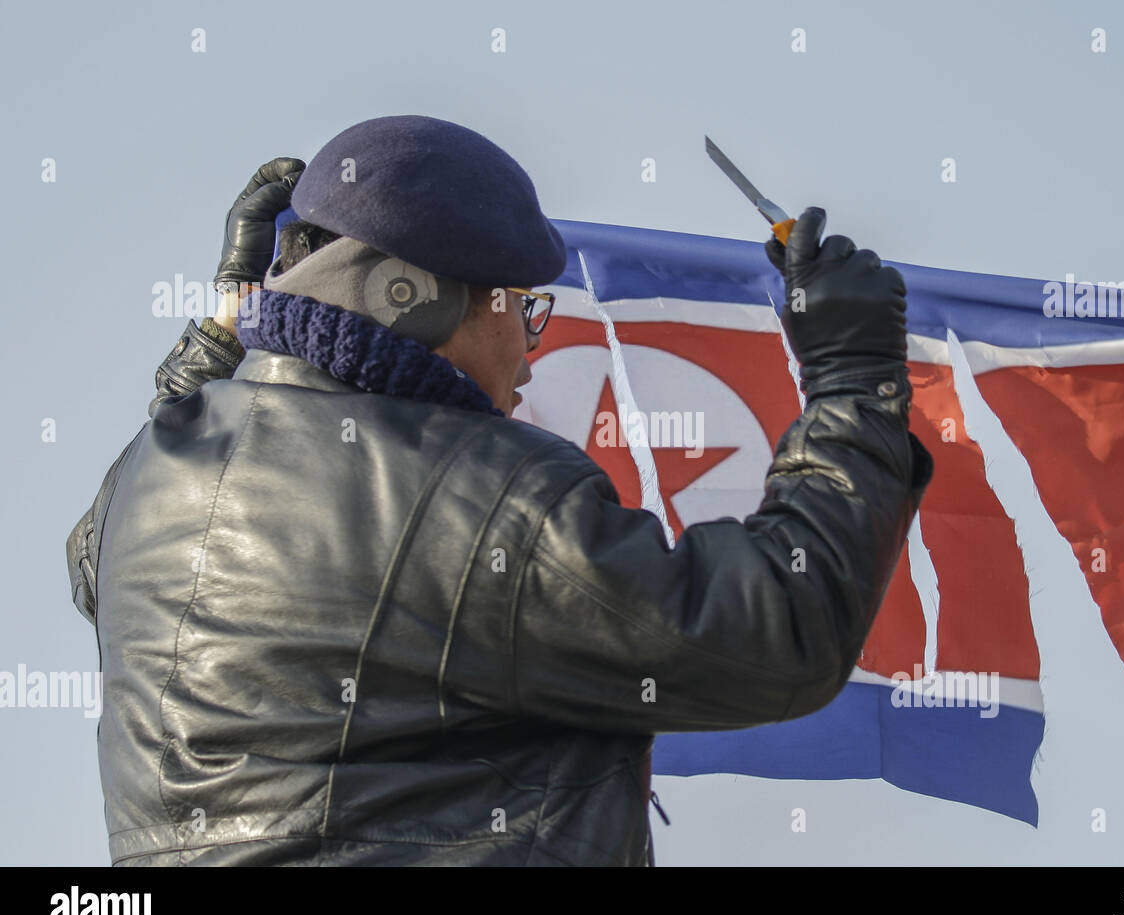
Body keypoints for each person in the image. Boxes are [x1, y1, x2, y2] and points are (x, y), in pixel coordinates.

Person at [66, 114, 934, 866]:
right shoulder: (486, 497)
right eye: (519, 305)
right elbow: (776, 632)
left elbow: (104, 554)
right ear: (416, 298)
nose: (531, 345)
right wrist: (857, 384)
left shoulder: (146, 480)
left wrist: (230, 335)